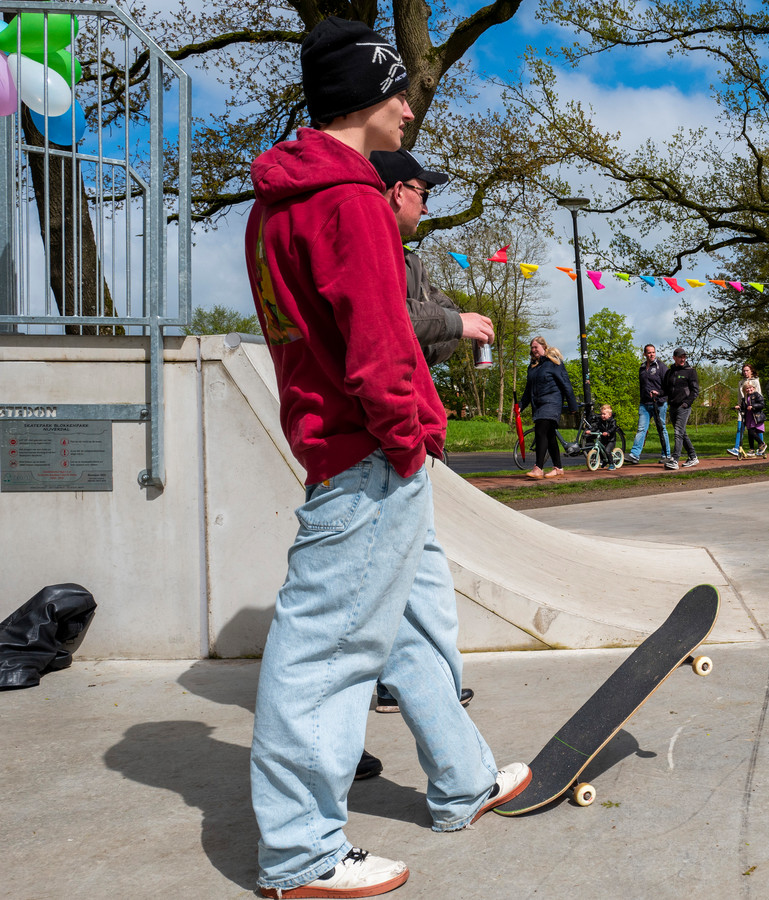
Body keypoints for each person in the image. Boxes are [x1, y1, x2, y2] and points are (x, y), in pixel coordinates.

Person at [243, 18, 529, 898]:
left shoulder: (272, 206)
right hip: (372, 454)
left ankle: (462, 779)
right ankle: (300, 852)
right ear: (365, 95)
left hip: (341, 448)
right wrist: (412, 435)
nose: (409, 108)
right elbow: (379, 346)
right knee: (326, 653)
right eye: (397, 91)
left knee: (408, 625)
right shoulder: (352, 200)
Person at [358, 148, 481, 762]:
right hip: (383, 441)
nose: (427, 201)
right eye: (420, 190)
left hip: (406, 435)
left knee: (420, 581)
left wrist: (452, 331)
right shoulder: (371, 246)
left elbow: (418, 333)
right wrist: (457, 325)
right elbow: (394, 326)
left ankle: (450, 737)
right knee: (364, 598)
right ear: (395, 191)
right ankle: (341, 730)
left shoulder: (404, 256)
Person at [369, 148, 494, 367]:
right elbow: (380, 317)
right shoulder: (359, 247)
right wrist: (454, 324)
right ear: (398, 191)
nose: (426, 209)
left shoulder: (411, 262)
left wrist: (451, 326)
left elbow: (424, 341)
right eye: (423, 195)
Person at [519, 336, 578, 479]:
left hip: (552, 403)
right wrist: (520, 405)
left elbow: (565, 383)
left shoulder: (554, 363)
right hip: (538, 405)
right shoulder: (532, 368)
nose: (534, 350)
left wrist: (572, 405)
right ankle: (558, 468)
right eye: (532, 348)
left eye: (536, 347)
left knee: (540, 431)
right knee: (550, 436)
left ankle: (538, 468)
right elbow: (528, 390)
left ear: (544, 347)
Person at [629, 343, 671, 463]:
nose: (651, 354)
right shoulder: (641, 368)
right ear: (645, 354)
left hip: (659, 403)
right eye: (649, 352)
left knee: (661, 429)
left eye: (653, 352)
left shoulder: (661, 367)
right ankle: (634, 455)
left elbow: (668, 386)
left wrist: (659, 393)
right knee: (641, 429)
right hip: (645, 404)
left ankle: (666, 455)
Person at [663, 347, 700, 468]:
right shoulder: (670, 372)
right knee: (682, 433)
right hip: (673, 406)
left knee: (678, 432)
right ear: (674, 358)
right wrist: (657, 393)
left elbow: (695, 391)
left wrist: (687, 403)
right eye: (680, 357)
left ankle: (674, 460)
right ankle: (693, 456)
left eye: (684, 357)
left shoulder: (690, 371)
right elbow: (666, 389)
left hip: (683, 407)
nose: (682, 359)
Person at [727, 363, 760, 457]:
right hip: (744, 407)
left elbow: (759, 395)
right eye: (744, 371)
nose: (745, 372)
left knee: (756, 428)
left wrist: (756, 406)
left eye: (747, 370)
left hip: (753, 407)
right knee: (740, 427)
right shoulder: (741, 383)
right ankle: (737, 448)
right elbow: (739, 395)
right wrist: (738, 404)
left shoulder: (756, 381)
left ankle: (760, 447)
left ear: (751, 371)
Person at [739, 380, 767, 457]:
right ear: (745, 390)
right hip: (749, 417)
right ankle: (752, 449)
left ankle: (761, 443)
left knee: (752, 432)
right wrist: (739, 407)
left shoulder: (757, 395)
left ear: (753, 388)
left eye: (750, 388)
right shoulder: (745, 398)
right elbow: (744, 407)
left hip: (755, 417)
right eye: (747, 388)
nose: (749, 389)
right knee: (749, 434)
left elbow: (762, 404)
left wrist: (753, 406)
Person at [594, 403, 619, 470]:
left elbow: (613, 428)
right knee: (601, 450)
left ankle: (612, 464)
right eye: (602, 414)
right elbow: (596, 427)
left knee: (607, 450)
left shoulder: (613, 421)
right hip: (604, 439)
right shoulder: (600, 421)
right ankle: (605, 460)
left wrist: (608, 432)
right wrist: (590, 431)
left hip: (611, 440)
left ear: (609, 415)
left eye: (604, 414)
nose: (602, 416)